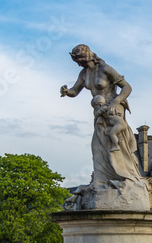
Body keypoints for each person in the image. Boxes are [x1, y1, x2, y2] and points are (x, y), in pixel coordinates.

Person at [60, 45, 143, 187]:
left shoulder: (105, 68)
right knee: (98, 144)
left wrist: (116, 102)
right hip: (98, 109)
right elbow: (75, 91)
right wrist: (67, 91)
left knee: (116, 142)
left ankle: (124, 175)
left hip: (113, 107)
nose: (78, 64)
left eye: (78, 60)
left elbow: (127, 87)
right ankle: (102, 178)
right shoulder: (83, 73)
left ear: (85, 57)